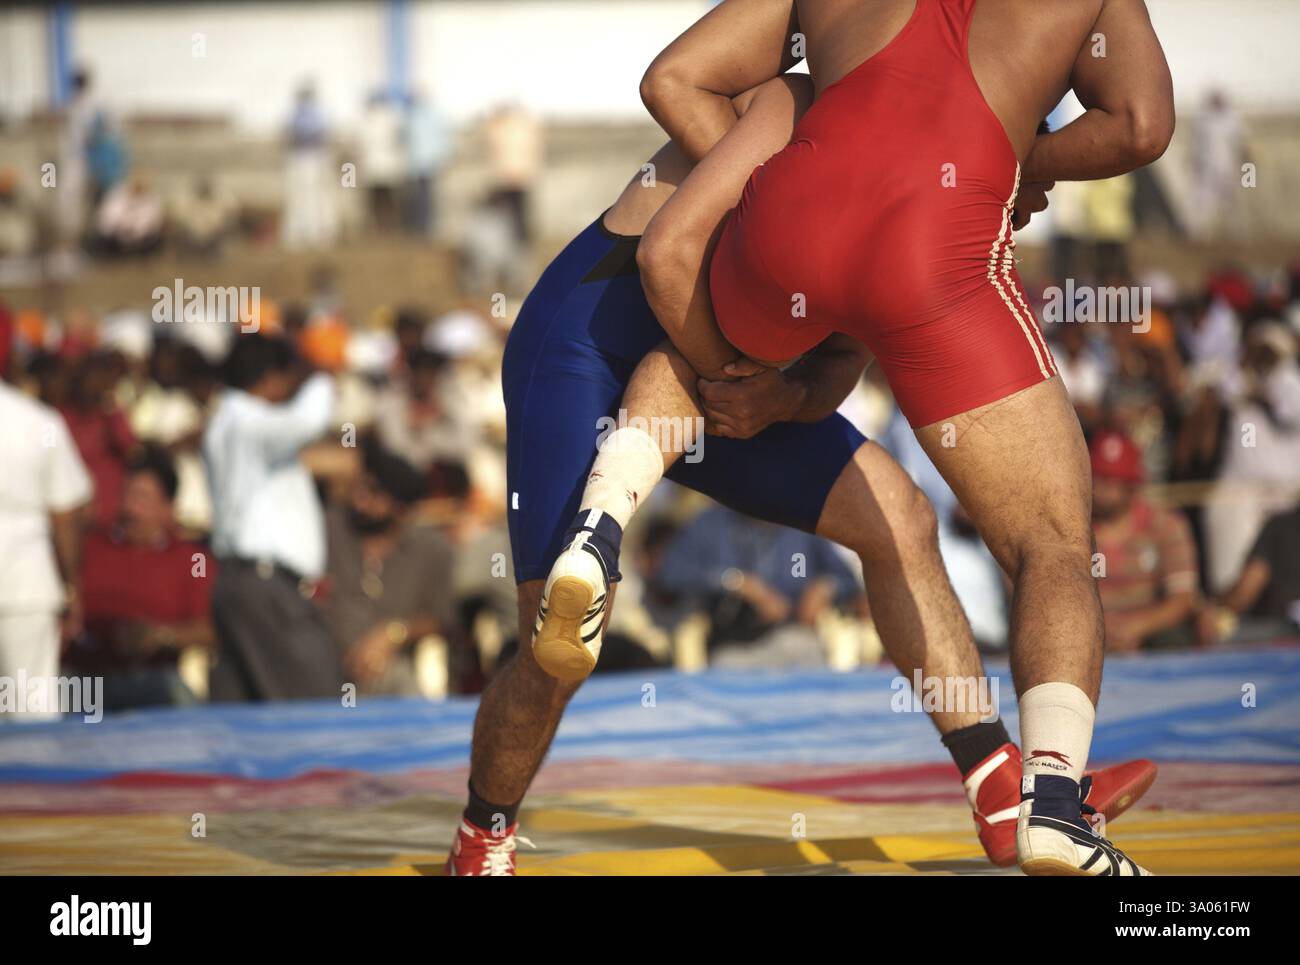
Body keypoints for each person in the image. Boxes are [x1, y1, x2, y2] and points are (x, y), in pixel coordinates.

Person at [444, 75, 1154, 875]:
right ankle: (483, 835)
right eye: (1034, 189)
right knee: (558, 638)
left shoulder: (930, 203)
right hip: (592, 337)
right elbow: (667, 250)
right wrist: (731, 375)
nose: (1034, 210)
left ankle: (996, 784)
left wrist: (781, 395)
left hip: (716, 366)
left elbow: (843, 361)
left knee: (900, 516)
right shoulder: (810, 103)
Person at [203, 334, 340, 701]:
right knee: (315, 707)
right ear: (269, 378)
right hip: (265, 588)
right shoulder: (249, 423)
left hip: (241, 584)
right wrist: (323, 375)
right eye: (288, 379)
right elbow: (308, 421)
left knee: (241, 721)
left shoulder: (226, 424)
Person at [68, 449, 215, 710]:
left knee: (185, 708)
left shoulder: (194, 559)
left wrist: (160, 637)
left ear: (168, 509)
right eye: (126, 495)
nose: (129, 509)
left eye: (143, 499)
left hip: (153, 678)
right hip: (87, 677)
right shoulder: (90, 546)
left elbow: (209, 629)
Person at [0, 326, 94, 720]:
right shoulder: (38, 422)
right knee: (30, 710)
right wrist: (71, 585)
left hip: (27, 583)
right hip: (25, 584)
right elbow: (66, 511)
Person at [325, 440, 458, 696]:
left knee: (402, 684)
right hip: (321, 661)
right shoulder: (330, 529)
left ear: (400, 508)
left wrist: (392, 634)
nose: (360, 499)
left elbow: (443, 619)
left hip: (390, 667)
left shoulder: (431, 550)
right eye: (360, 486)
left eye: (374, 492)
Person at [1089, 431, 1199, 651]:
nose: (1102, 489)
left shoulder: (1165, 525)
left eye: (1112, 481)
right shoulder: (1071, 527)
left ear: (1131, 486)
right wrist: (1098, 630)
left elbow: (1182, 598)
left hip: (1151, 635)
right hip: (1086, 632)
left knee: (1174, 639)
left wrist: (1136, 628)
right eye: (1098, 478)